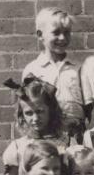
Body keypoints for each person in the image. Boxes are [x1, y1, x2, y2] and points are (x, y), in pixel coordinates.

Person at [1, 78, 71, 175]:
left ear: (51, 110)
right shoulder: (18, 147)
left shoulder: (65, 142)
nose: (35, 118)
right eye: (29, 113)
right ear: (21, 115)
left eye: (40, 111)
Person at [22, 7, 84, 136]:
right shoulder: (33, 69)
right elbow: (27, 108)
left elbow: (88, 107)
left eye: (66, 32)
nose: (62, 38)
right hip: (44, 136)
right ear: (40, 35)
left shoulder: (79, 68)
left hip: (75, 134)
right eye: (56, 33)